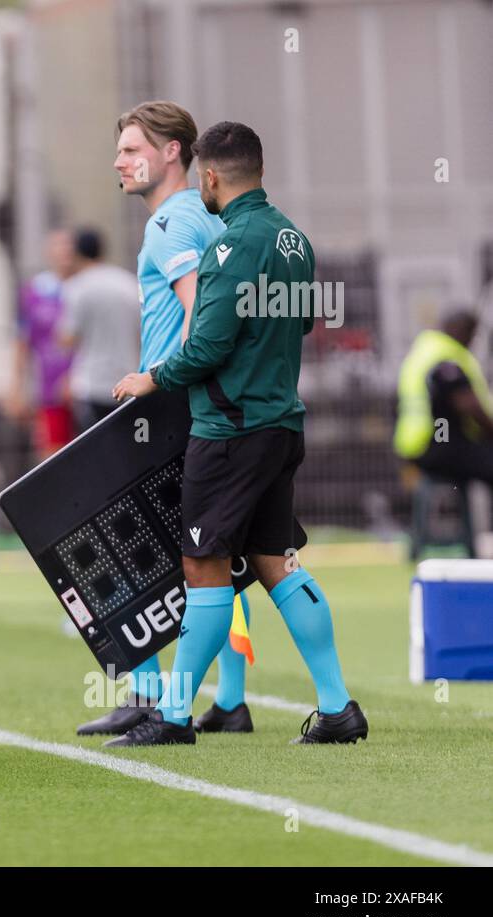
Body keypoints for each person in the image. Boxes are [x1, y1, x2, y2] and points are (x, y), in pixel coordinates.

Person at [111, 120, 367, 746]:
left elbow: (207, 346)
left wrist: (153, 378)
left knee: (203, 566)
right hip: (279, 422)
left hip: (229, 431)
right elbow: (300, 323)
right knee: (277, 563)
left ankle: (173, 715)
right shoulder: (293, 239)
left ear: (209, 177)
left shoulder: (229, 247)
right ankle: (337, 708)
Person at [77, 101, 254, 738]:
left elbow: (195, 313)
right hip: (200, 401)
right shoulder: (206, 216)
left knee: (120, 544)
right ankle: (228, 699)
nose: (119, 162)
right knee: (217, 556)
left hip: (167, 403)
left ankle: (152, 695)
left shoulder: (170, 223)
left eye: (132, 149)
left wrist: (160, 379)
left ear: (172, 151)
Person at [395, 308, 493, 498]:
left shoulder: (425, 351)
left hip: (417, 445)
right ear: (463, 331)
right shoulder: (446, 359)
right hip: (437, 444)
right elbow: (470, 407)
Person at [58, 228, 140, 434]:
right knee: (126, 443)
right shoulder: (128, 282)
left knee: (95, 446)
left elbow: (68, 338)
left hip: (91, 384)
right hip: (128, 379)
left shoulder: (76, 287)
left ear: (77, 253)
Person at [10, 229, 75, 458]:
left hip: (85, 389)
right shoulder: (35, 291)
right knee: (52, 456)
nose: (64, 252)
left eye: (68, 246)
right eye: (58, 246)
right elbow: (22, 342)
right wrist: (17, 388)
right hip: (48, 390)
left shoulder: (86, 287)